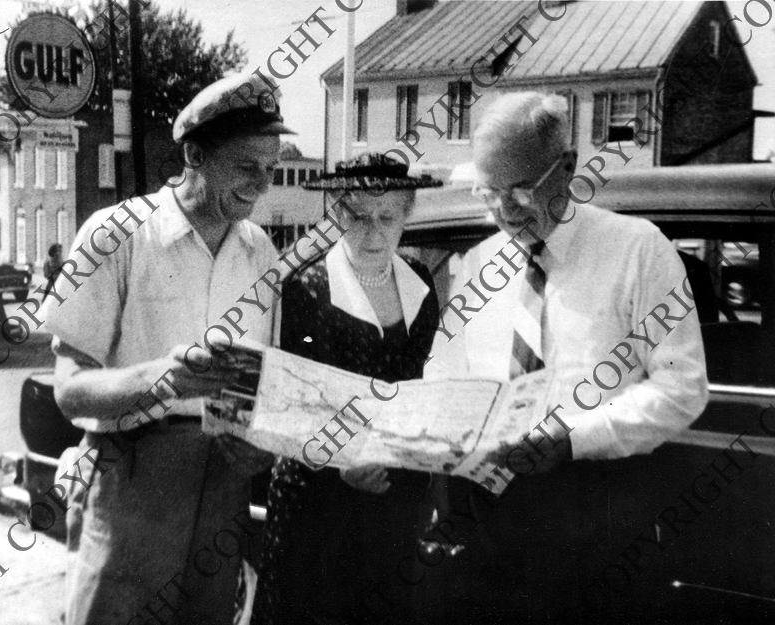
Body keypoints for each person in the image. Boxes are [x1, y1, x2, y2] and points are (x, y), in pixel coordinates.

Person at [425, 92, 709, 622]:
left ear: (569, 168)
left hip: (597, 516)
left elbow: (682, 387)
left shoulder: (639, 250)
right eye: (488, 192)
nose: (504, 211)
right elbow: (444, 372)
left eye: (520, 190)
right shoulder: (478, 263)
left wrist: (575, 438)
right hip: (490, 518)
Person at [42, 72, 294, 625]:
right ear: (196, 154)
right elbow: (69, 390)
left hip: (223, 486)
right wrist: (163, 378)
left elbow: (267, 385)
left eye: (270, 170)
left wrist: (262, 450)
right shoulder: (115, 234)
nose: (261, 185)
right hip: (131, 476)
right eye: (247, 166)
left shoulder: (262, 255)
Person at [251, 154, 441, 625]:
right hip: (318, 497)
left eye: (387, 218)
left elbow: (417, 386)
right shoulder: (305, 286)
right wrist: (344, 463)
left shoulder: (420, 284)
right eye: (357, 216)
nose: (373, 232)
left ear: (406, 215)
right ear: (336, 211)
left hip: (394, 492)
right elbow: (290, 402)